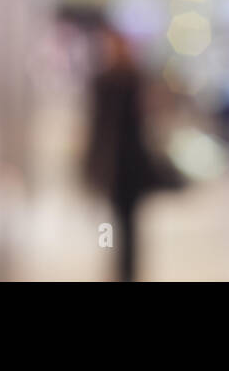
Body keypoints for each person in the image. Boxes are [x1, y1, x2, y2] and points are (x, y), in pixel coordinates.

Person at [82, 23, 154, 281]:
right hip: (119, 164)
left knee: (127, 222)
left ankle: (126, 270)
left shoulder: (127, 80)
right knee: (121, 221)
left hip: (128, 164)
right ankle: (123, 269)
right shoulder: (111, 80)